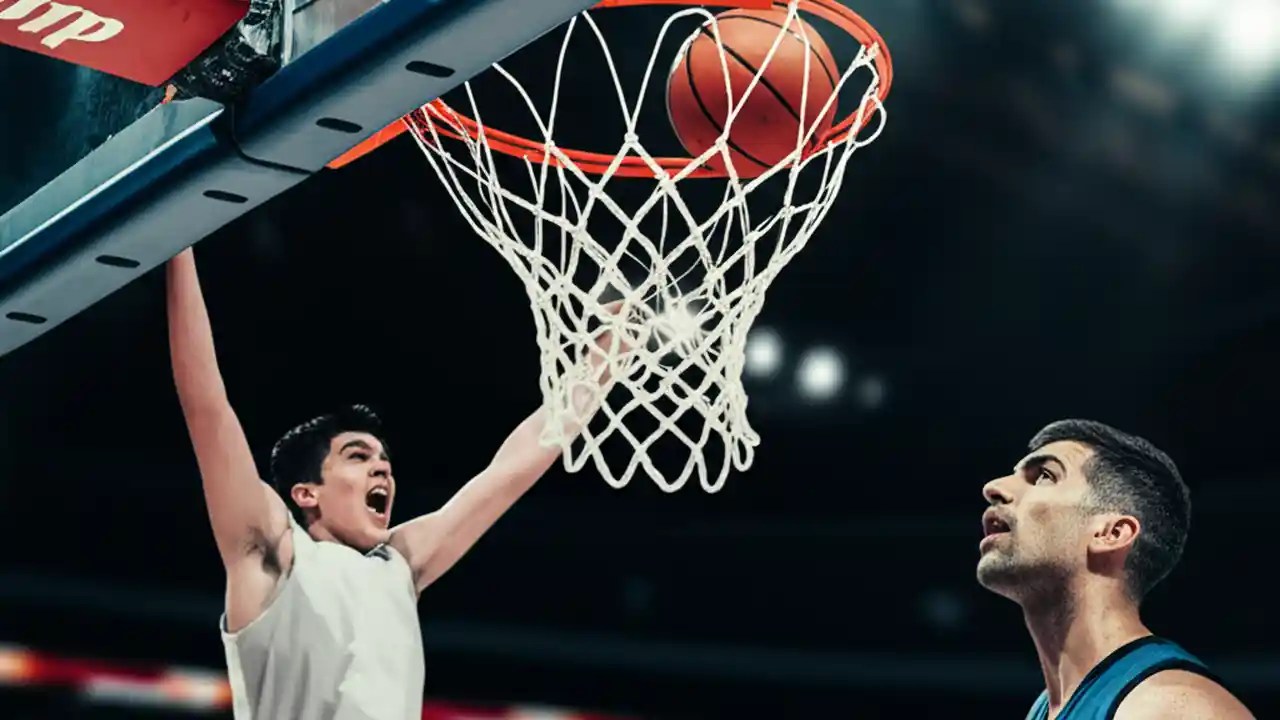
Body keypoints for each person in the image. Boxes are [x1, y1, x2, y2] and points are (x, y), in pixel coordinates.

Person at [165, 248, 630, 720]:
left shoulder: (398, 565)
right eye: (357, 456)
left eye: (384, 460)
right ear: (307, 493)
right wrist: (179, 244)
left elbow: (510, 469)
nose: (382, 468)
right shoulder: (272, 554)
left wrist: (598, 368)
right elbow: (207, 407)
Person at [977, 419, 1254, 719]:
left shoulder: (1172, 707)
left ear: (1111, 533)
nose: (994, 487)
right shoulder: (1046, 709)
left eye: (1044, 475)